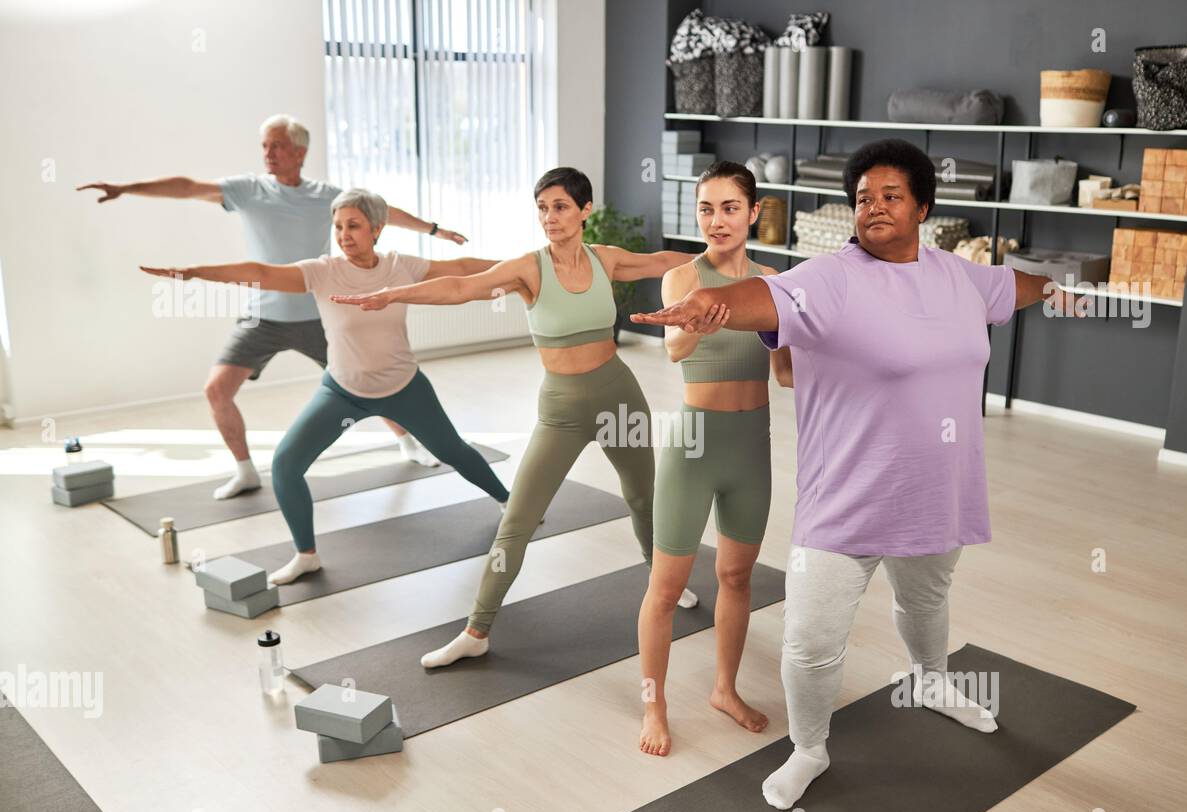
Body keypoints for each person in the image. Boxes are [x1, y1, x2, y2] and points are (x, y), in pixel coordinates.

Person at [631, 138, 1089, 808]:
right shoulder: (830, 279)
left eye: (889, 195)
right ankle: (809, 748)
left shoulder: (959, 276)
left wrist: (1055, 289)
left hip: (939, 490)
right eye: (861, 198)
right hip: (845, 500)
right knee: (812, 642)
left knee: (927, 602)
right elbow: (762, 296)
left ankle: (930, 679)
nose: (871, 206)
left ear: (924, 206)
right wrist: (705, 307)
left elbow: (1012, 287)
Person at [330, 167, 723, 667]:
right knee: (518, 518)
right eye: (542, 208)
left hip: (618, 394)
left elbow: (662, 262)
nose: (549, 218)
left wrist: (722, 256)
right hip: (560, 409)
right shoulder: (528, 268)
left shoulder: (606, 259)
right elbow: (460, 288)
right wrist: (392, 294)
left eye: (560, 207)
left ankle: (664, 582)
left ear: (585, 211)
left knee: (643, 494)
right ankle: (477, 629)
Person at [80, 114, 469, 498]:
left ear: (300, 152)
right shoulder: (249, 191)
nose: (268, 153)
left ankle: (407, 443)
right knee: (217, 389)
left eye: (277, 145)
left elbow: (382, 212)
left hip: (320, 315)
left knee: (372, 382)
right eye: (265, 145)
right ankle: (245, 471)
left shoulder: (325, 197)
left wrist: (433, 230)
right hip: (262, 318)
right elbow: (188, 187)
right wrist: (127, 188)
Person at [141, 188, 509, 585]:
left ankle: (510, 505)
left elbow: (464, 266)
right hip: (343, 393)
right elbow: (260, 272)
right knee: (285, 465)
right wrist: (196, 272)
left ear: (377, 230)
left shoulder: (401, 266)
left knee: (454, 451)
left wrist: (529, 267)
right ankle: (306, 555)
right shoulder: (322, 271)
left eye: (353, 225)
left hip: (403, 388)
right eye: (337, 226)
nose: (344, 234)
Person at [636, 161, 793, 757]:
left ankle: (724, 689)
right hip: (693, 445)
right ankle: (655, 704)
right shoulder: (682, 279)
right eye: (706, 208)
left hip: (752, 444)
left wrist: (809, 342)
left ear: (753, 213)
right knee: (666, 587)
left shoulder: (773, 282)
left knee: (735, 576)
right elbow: (675, 350)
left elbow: (784, 375)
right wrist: (695, 321)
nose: (717, 220)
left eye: (730, 207)